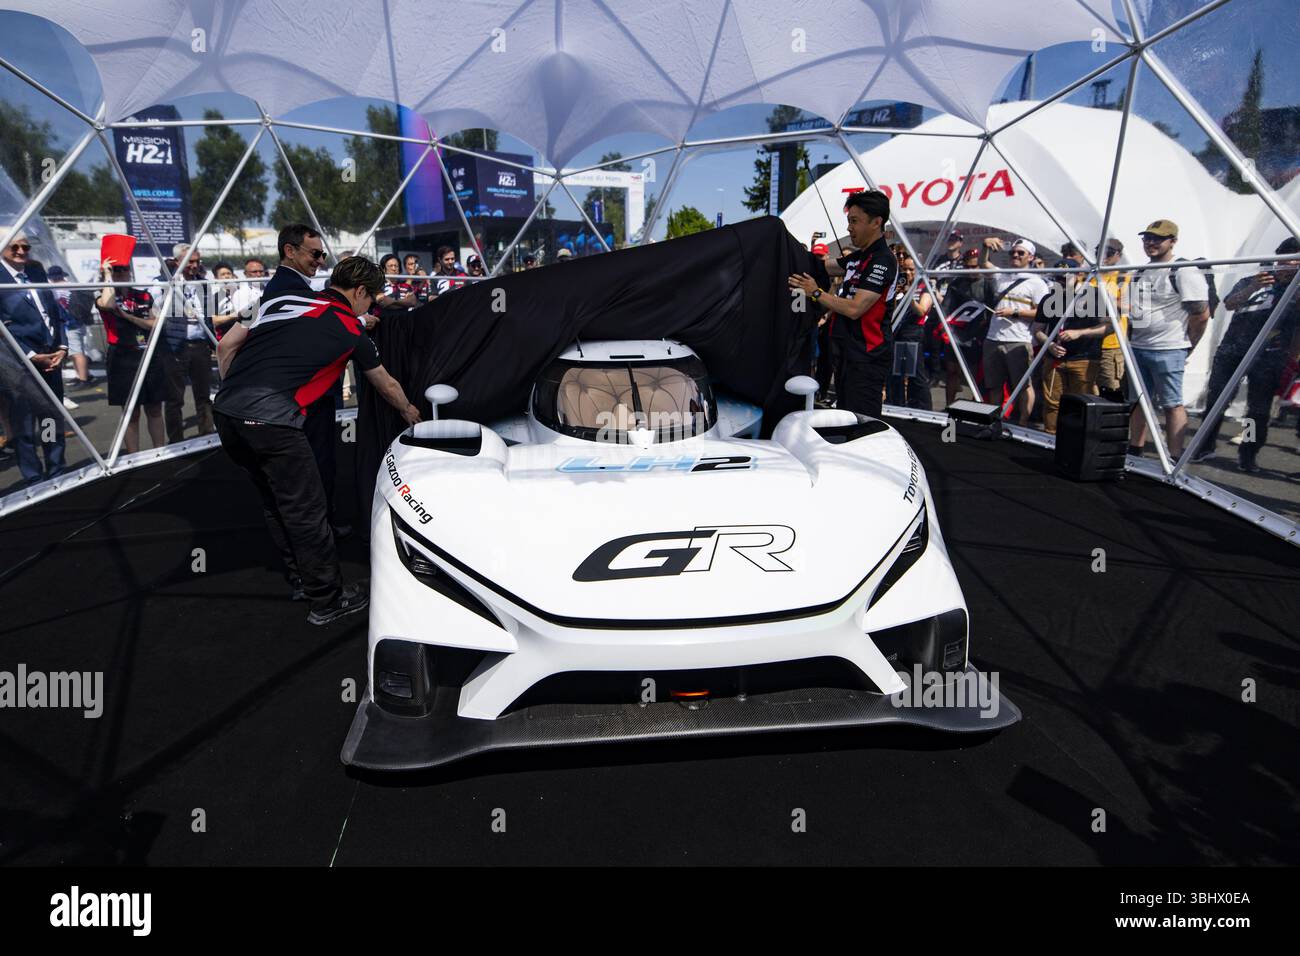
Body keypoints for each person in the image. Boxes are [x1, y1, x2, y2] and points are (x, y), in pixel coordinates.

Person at [214, 255, 421, 625]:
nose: (370, 306)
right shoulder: (350, 330)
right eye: (370, 299)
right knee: (307, 511)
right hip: (272, 420)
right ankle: (327, 600)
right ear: (360, 291)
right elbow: (386, 384)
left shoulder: (278, 300)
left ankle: (300, 579)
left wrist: (237, 397)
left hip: (227, 412)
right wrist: (409, 412)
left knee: (274, 502)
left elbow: (226, 346)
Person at [787, 189, 898, 419]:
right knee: (845, 417)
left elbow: (855, 309)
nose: (849, 228)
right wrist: (791, 251)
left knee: (861, 424)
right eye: (848, 221)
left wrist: (815, 292)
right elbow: (824, 266)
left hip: (867, 357)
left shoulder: (883, 260)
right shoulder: (857, 257)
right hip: (846, 352)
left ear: (876, 222)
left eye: (854, 221)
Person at [1194, 237, 1300, 471]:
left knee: (1257, 411)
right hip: (1232, 350)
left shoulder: (1297, 291)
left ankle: (1248, 453)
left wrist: (1291, 359)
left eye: (1295, 259)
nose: (1289, 263)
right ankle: (1205, 445)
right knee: (1216, 400)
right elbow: (1230, 303)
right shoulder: (1251, 280)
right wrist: (1255, 287)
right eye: (1286, 256)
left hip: (1269, 357)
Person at [1127, 219, 1210, 459]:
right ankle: (1136, 449)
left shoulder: (1183, 269)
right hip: (1139, 346)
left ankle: (1174, 458)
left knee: (1172, 403)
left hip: (1169, 348)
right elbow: (1135, 311)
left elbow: (1201, 314)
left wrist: (1187, 348)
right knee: (1139, 400)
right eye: (1147, 238)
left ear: (1172, 241)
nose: (1150, 243)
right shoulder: (1141, 271)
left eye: (1157, 239)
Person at [0, 234, 67, 484]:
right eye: (14, 246)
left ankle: (56, 468)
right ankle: (33, 477)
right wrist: (30, 355)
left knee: (49, 418)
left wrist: (62, 346)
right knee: (24, 424)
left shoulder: (36, 273)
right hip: (18, 365)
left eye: (25, 246)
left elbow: (56, 311)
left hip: (50, 360)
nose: (21, 251)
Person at [96, 257, 167, 453]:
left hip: (148, 354)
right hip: (122, 357)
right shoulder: (104, 295)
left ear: (130, 271)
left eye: (123, 270)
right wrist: (107, 275)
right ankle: (133, 457)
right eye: (116, 270)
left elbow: (155, 324)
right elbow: (108, 306)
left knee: (154, 408)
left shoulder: (143, 296)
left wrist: (128, 317)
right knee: (131, 412)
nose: (121, 274)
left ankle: (158, 453)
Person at [980, 236, 1050, 424]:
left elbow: (1043, 312)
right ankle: (994, 421)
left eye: (1021, 253)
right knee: (994, 385)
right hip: (993, 338)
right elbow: (983, 264)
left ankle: (1022, 424)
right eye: (1013, 252)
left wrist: (1015, 312)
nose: (1016, 255)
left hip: (1019, 340)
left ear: (1031, 257)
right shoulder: (1002, 274)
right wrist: (985, 246)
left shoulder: (1037, 282)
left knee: (1022, 385)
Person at [159, 243, 223, 440]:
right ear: (178, 262)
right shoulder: (166, 282)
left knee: (203, 395)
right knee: (174, 398)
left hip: (200, 345)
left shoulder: (204, 283)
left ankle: (206, 435)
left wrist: (212, 342)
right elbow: (158, 307)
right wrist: (171, 279)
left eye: (197, 261)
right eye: (189, 261)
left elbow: (210, 314)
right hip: (175, 346)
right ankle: (176, 440)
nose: (194, 265)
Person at [1036, 263, 1108, 434]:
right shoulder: (1049, 298)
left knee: (1081, 404)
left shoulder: (1094, 296)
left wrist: (1080, 333)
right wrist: (1049, 344)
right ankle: (1050, 438)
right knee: (1052, 403)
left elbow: (1109, 327)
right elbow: (1037, 330)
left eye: (1065, 276)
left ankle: (1076, 441)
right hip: (1054, 359)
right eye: (1058, 277)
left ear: (1079, 275)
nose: (1061, 281)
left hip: (1084, 359)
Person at [888, 254, 933, 410]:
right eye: (905, 269)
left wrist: (908, 294)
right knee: (896, 373)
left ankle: (923, 407)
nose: (908, 272)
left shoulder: (924, 286)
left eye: (911, 269)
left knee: (916, 374)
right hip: (897, 333)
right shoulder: (899, 286)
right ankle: (897, 403)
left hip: (914, 333)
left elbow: (921, 310)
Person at [48, 266, 96, 390]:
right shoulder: (71, 285)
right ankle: (83, 375)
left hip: (70, 324)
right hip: (78, 322)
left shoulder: (55, 289)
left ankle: (84, 379)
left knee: (76, 353)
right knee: (77, 351)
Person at [1096, 239, 1131, 402]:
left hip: (1111, 344)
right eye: (1098, 251)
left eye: (1108, 252)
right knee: (1090, 388)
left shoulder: (1124, 277)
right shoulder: (1091, 275)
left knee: (1110, 388)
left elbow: (1130, 307)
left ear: (1119, 255)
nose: (1102, 256)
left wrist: (1100, 300)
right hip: (1087, 343)